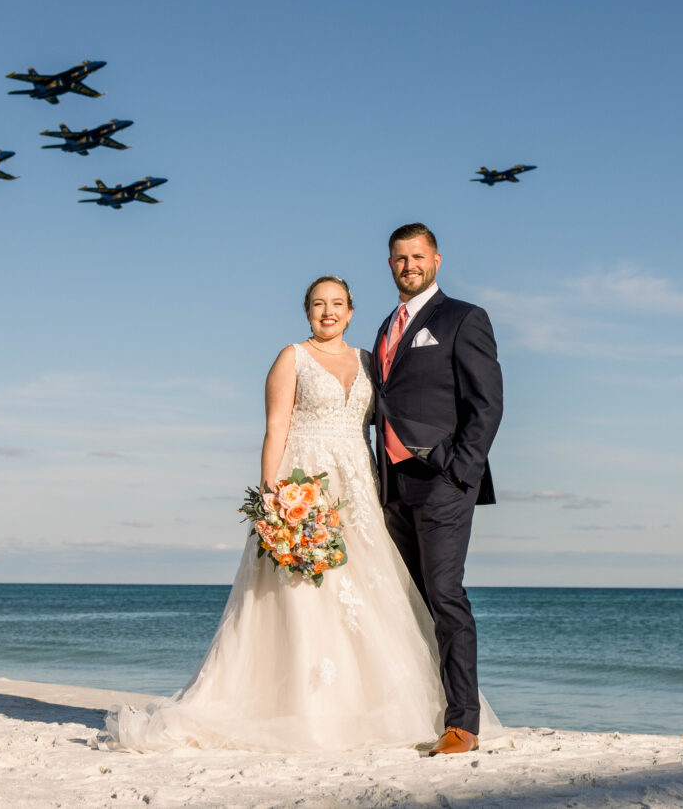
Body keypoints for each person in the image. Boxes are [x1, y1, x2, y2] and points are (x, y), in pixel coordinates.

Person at [106, 275, 498, 752]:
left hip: (359, 491)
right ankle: (304, 710)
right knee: (302, 598)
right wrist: (272, 503)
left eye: (337, 304)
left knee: (369, 597)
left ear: (351, 311)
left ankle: (386, 710)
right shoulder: (290, 358)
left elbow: (409, 406)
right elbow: (275, 430)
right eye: (318, 304)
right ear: (306, 311)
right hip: (304, 485)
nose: (327, 312)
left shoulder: (369, 360)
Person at [369, 223, 503, 756]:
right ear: (390, 264)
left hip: (443, 483)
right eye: (400, 258)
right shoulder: (385, 326)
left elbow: (486, 403)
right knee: (409, 600)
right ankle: (417, 706)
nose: (409, 265)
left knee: (446, 596)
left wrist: (460, 470)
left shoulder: (463, 318)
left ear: (437, 260)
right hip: (391, 485)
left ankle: (462, 725)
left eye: (417, 256)